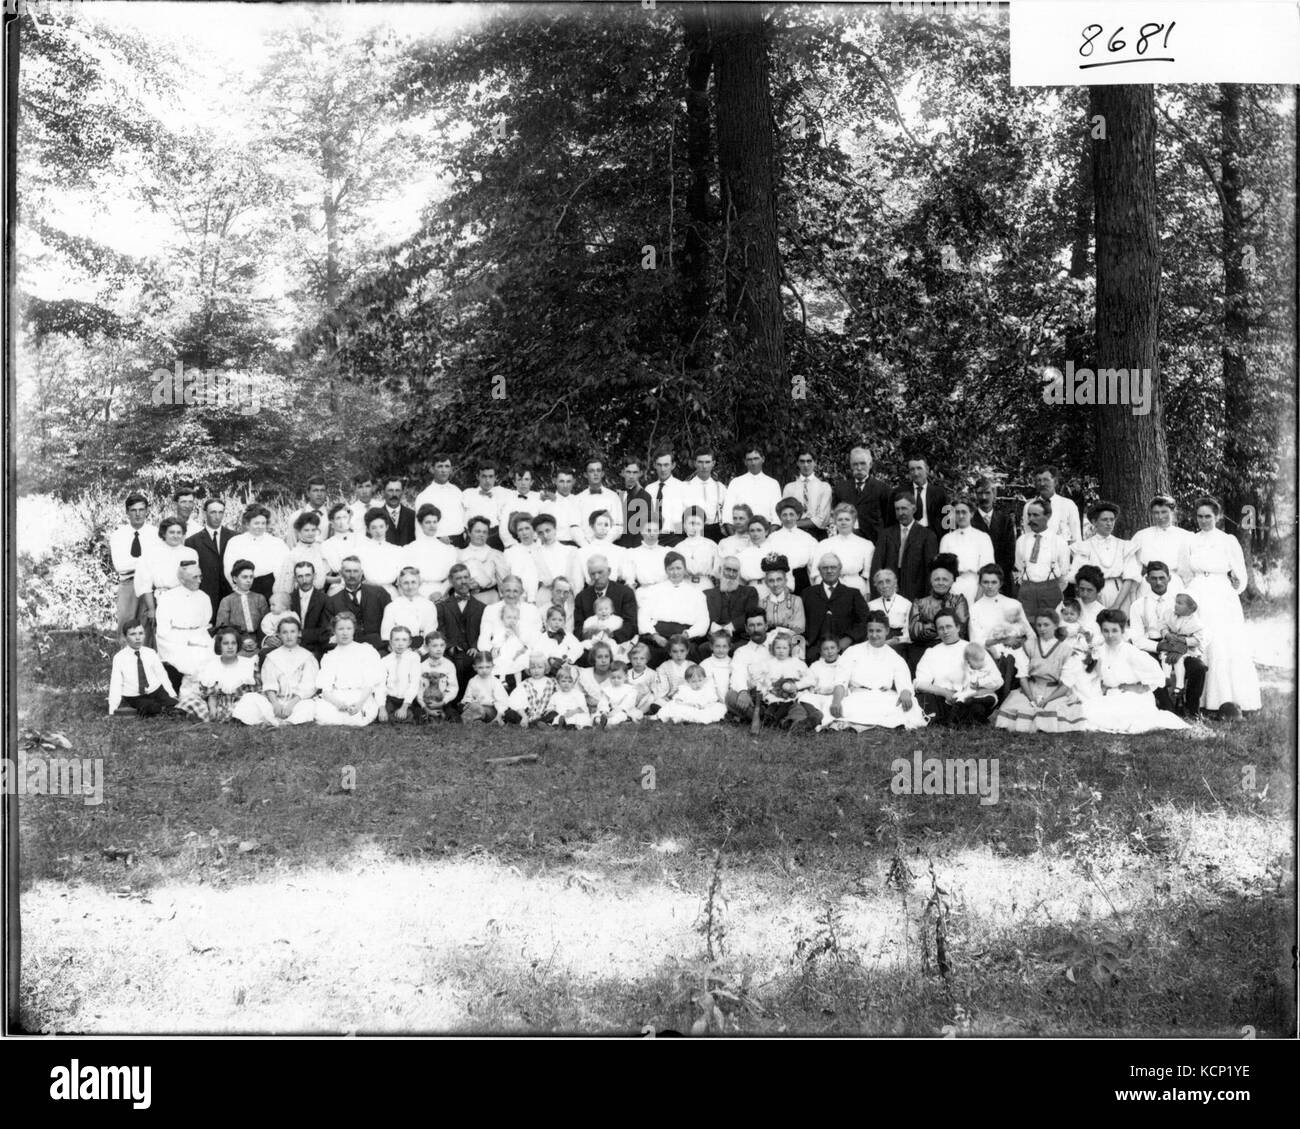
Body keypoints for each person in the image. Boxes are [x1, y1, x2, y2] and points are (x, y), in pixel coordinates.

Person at [1178, 496, 1261, 715]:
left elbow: (1240, 574)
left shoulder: (1228, 540)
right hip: (1197, 591)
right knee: (1200, 639)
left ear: (1217, 516)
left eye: (1208, 516)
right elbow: (1185, 572)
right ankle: (1198, 697)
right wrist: (1191, 593)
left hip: (1222, 593)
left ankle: (1228, 699)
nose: (1203, 520)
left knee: (1223, 642)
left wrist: (1236, 583)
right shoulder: (1189, 541)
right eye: (1200, 516)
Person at [1078, 610, 1189, 733]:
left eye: (1114, 630)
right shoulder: (1100, 650)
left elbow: (1158, 677)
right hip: (1112, 695)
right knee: (1086, 711)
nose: (1110, 635)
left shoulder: (1131, 652)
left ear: (1122, 631)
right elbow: (1095, 674)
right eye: (1106, 631)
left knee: (1122, 716)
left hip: (1134, 697)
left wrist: (1139, 688)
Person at [1128, 561, 1206, 718]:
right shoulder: (1137, 605)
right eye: (1154, 578)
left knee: (1198, 667)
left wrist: (1180, 648)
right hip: (1153, 647)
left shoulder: (1181, 601)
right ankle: (1168, 709)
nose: (1158, 582)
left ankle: (1192, 711)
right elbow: (1136, 639)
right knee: (1151, 666)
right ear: (1147, 579)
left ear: (1169, 578)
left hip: (1181, 646)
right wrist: (1161, 647)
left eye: (1162, 578)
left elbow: (1198, 630)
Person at [822, 613, 925, 731]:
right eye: (871, 631)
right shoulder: (853, 651)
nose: (874, 635)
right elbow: (841, 681)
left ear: (887, 630)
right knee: (833, 704)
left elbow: (904, 682)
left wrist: (905, 693)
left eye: (878, 631)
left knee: (910, 706)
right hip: (857, 697)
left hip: (883, 697)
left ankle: (856, 723)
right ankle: (878, 723)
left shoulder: (894, 657)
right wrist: (836, 701)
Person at [991, 609, 1088, 733]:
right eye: (1039, 625)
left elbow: (1065, 685)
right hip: (1031, 688)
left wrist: (1047, 700)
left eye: (1046, 625)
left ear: (1056, 626)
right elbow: (1023, 677)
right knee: (1019, 706)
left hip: (1054, 691)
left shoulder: (1066, 650)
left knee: (1053, 709)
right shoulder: (1029, 645)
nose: (1042, 629)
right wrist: (1031, 698)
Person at [232, 615, 319, 726]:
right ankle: (272, 720)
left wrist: (291, 704)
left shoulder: (307, 657)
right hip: (276, 700)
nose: (289, 636)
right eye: (284, 632)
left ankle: (286, 722)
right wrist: (275, 703)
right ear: (278, 635)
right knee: (250, 697)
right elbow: (269, 683)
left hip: (297, 701)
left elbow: (308, 685)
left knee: (309, 705)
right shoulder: (272, 657)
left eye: (292, 631)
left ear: (299, 633)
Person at [913, 611, 991, 726]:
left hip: (969, 697)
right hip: (941, 698)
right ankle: (953, 718)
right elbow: (919, 683)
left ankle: (958, 718)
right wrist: (945, 692)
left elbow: (988, 676)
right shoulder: (932, 652)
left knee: (977, 704)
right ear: (937, 631)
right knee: (922, 700)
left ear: (958, 627)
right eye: (941, 628)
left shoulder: (973, 649)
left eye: (949, 627)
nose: (945, 631)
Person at [967, 564, 1031, 693]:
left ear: (1000, 583)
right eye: (985, 582)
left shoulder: (1013, 604)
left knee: (1015, 661)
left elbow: (1027, 633)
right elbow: (976, 640)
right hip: (989, 655)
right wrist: (996, 652)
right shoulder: (975, 608)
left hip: (1016, 652)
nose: (989, 586)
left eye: (993, 582)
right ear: (980, 583)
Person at [314, 610, 385, 726]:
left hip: (360, 695)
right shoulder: (330, 656)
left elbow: (369, 684)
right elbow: (326, 690)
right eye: (340, 629)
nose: (345, 633)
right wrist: (338, 704)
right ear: (334, 631)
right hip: (338, 696)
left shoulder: (365, 651)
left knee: (358, 716)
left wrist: (359, 704)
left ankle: (358, 711)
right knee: (327, 714)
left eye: (349, 628)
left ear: (354, 630)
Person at [637, 553, 711, 664]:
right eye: (671, 568)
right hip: (659, 639)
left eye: (678, 568)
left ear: (685, 570)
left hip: (685, 639)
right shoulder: (653, 591)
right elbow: (643, 616)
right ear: (666, 570)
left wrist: (686, 635)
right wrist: (655, 636)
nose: (675, 572)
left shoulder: (696, 593)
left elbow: (703, 621)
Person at [154, 562, 215, 693]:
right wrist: (183, 641)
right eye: (195, 577)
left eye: (200, 576)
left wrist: (197, 639)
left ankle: (207, 693)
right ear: (182, 579)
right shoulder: (168, 598)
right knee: (189, 660)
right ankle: (187, 694)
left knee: (210, 655)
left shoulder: (204, 597)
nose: (199, 580)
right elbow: (163, 630)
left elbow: (205, 624)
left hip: (198, 636)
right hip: (174, 640)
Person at [1069, 501, 1141, 611]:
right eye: (1104, 520)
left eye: (1112, 520)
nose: (1109, 523)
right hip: (1092, 593)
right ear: (1094, 522)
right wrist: (1094, 599)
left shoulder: (1124, 546)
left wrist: (1117, 605)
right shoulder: (1084, 546)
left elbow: (1130, 577)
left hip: (1119, 592)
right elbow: (1078, 576)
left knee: (1118, 624)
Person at [135, 518, 199, 641]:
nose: (175, 536)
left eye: (179, 532)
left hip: (185, 598)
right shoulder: (152, 553)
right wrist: (151, 608)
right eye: (172, 532)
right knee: (163, 635)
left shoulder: (191, 553)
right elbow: (145, 583)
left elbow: (194, 579)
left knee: (183, 634)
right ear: (164, 533)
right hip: (162, 598)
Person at [905, 554, 970, 673]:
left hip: (952, 650)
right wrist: (944, 628)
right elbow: (914, 633)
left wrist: (926, 627)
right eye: (937, 579)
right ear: (931, 580)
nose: (940, 583)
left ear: (952, 581)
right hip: (922, 650)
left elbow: (960, 631)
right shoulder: (919, 603)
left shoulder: (959, 601)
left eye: (945, 579)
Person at [871, 491, 938, 601]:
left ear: (914, 509)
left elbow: (930, 571)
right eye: (897, 509)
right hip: (888, 591)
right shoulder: (886, 534)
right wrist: (876, 597)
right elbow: (877, 566)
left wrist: (928, 599)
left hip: (916, 593)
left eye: (904, 508)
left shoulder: (927, 535)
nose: (901, 512)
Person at [801, 552, 870, 655]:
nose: (829, 571)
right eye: (825, 568)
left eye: (833, 567)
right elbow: (800, 621)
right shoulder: (807, 593)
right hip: (814, 648)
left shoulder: (853, 594)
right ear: (819, 570)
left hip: (845, 649)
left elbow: (864, 620)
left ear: (840, 569)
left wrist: (849, 639)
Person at [1014, 498, 1070, 621]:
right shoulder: (1021, 541)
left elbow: (1064, 575)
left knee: (1050, 628)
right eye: (1029, 515)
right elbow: (1019, 567)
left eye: (1036, 515)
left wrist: (1050, 590)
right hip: (1027, 592)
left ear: (1048, 516)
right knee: (1027, 629)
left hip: (1050, 592)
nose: (1031, 519)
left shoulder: (1059, 542)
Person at [108, 620, 179, 716]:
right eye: (133, 634)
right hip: (135, 696)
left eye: (141, 633)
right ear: (125, 637)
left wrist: (172, 694)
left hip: (156, 690)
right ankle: (153, 710)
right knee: (152, 707)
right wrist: (112, 709)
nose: (138, 638)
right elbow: (116, 684)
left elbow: (162, 675)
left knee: (175, 705)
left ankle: (165, 709)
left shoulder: (151, 653)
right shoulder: (119, 658)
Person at [1130, 494, 1193, 597]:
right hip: (1148, 586)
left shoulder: (1185, 536)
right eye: (1156, 513)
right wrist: (1133, 593)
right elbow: (1133, 567)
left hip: (1174, 585)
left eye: (1164, 512)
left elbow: (1187, 571)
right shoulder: (1141, 536)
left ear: (1172, 512)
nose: (1160, 517)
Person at [189, 627, 258, 722]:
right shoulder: (212, 665)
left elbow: (254, 693)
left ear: (238, 645)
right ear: (219, 646)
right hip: (220, 703)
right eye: (226, 643)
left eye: (233, 643)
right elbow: (212, 695)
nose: (230, 647)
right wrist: (212, 708)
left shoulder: (247, 664)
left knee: (251, 705)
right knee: (192, 702)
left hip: (242, 703)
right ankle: (217, 714)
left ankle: (237, 716)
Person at [436, 564, 485, 697]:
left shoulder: (481, 607)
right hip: (451, 651)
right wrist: (450, 646)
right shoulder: (442, 606)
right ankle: (453, 703)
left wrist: (475, 646)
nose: (463, 581)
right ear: (451, 581)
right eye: (458, 578)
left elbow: (484, 631)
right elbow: (440, 630)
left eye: (466, 577)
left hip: (472, 650)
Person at [324, 555, 392, 652]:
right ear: (341, 573)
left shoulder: (379, 593)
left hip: (378, 648)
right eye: (348, 571)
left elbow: (391, 623)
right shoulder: (332, 602)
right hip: (347, 651)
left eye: (356, 571)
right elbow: (329, 633)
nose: (352, 575)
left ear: (362, 573)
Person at [574, 558, 639, 658]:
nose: (596, 577)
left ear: (609, 571)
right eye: (592, 574)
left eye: (600, 572)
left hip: (617, 643)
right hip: (591, 646)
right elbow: (578, 628)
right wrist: (589, 635)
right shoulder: (582, 597)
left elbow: (631, 624)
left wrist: (610, 635)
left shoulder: (625, 593)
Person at [224, 504, 288, 602]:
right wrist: (236, 588)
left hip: (270, 589)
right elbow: (229, 568)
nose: (260, 526)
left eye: (263, 523)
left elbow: (285, 570)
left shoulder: (277, 543)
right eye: (256, 523)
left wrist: (278, 593)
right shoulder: (235, 542)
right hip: (244, 588)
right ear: (247, 524)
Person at [938, 498, 995, 606]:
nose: (960, 516)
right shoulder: (946, 539)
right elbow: (942, 570)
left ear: (972, 513)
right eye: (957, 512)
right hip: (952, 588)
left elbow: (988, 569)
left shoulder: (983, 537)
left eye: (964, 512)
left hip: (975, 586)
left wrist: (979, 596)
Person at [186, 498, 234, 621]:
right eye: (213, 512)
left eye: (220, 512)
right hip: (206, 595)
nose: (217, 516)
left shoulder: (235, 538)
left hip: (230, 595)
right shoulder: (192, 541)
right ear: (204, 513)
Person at [786, 637, 849, 732]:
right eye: (826, 649)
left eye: (832, 648)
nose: (829, 652)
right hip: (819, 696)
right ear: (821, 651)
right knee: (804, 698)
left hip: (836, 697)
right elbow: (809, 680)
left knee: (840, 705)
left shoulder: (844, 663)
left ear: (838, 649)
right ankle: (814, 716)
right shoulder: (816, 665)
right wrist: (796, 686)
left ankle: (817, 723)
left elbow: (843, 683)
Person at [830, 447, 892, 544]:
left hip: (874, 542)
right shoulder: (841, 488)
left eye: (863, 463)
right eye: (855, 464)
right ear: (851, 465)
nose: (859, 468)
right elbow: (835, 516)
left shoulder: (883, 489)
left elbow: (889, 520)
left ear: (870, 464)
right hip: (846, 542)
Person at [110, 493, 152, 633]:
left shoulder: (156, 534)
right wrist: (146, 562)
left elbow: (158, 563)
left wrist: (137, 564)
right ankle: (125, 654)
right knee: (126, 626)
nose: (138, 514)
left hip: (149, 585)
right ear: (127, 512)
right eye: (133, 510)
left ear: (147, 511)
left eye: (141, 510)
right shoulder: (118, 535)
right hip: (128, 584)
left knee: (147, 626)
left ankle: (146, 654)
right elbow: (120, 566)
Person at [702, 556, 760, 657]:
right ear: (721, 570)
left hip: (739, 638)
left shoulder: (749, 592)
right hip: (713, 638)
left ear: (739, 573)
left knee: (738, 650)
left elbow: (750, 615)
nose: (731, 574)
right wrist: (714, 626)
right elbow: (702, 617)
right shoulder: (707, 594)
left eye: (735, 571)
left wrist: (732, 626)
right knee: (702, 648)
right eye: (728, 569)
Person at [752, 630, 807, 729]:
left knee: (797, 709)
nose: (781, 651)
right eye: (778, 647)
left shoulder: (796, 662)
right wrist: (769, 688)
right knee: (772, 708)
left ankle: (792, 723)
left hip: (791, 697)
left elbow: (810, 679)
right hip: (774, 698)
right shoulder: (768, 663)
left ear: (790, 649)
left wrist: (796, 686)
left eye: (784, 648)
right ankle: (774, 720)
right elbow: (760, 680)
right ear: (773, 648)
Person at [724, 612, 772, 725]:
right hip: (755, 698)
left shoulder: (778, 645)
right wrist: (743, 691)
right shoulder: (742, 652)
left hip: (777, 694)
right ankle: (765, 718)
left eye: (759, 624)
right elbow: (738, 673)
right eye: (751, 625)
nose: (755, 629)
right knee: (731, 696)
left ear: (766, 626)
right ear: (746, 628)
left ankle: (764, 718)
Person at [404, 505, 459, 601]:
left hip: (442, 594)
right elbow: (406, 576)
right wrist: (418, 595)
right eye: (428, 522)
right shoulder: (411, 548)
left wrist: (441, 592)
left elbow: (452, 576)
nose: (432, 525)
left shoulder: (447, 549)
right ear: (421, 524)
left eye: (434, 522)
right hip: (416, 594)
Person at [758, 554, 807, 660]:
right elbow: (761, 627)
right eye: (771, 581)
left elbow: (799, 627)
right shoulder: (762, 603)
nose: (775, 584)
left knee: (798, 641)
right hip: (769, 641)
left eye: (779, 579)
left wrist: (775, 628)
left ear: (785, 580)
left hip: (790, 640)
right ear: (766, 583)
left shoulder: (796, 601)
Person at [971, 476, 1018, 586]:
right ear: (975, 495)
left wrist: (996, 577)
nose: (984, 497)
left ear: (994, 494)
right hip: (978, 581)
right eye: (979, 493)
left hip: (1003, 580)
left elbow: (1009, 555)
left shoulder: (1005, 521)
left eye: (987, 493)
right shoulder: (969, 522)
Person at [766, 498, 822, 590]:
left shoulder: (808, 538)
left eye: (791, 514)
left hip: (803, 580)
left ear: (798, 516)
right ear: (780, 517)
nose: (788, 518)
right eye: (784, 515)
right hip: (780, 581)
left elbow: (814, 564)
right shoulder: (773, 538)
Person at [273, 512, 329, 600]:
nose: (310, 533)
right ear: (299, 532)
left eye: (313, 530)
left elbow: (324, 575)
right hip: (301, 597)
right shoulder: (294, 555)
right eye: (306, 530)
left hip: (321, 596)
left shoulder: (320, 549)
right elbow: (286, 586)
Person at [414, 455, 467, 546]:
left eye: (447, 466)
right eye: (440, 466)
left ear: (451, 469)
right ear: (432, 469)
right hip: (436, 543)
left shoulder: (457, 492)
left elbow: (464, 517)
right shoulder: (424, 496)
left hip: (460, 542)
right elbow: (419, 527)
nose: (444, 470)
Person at [820, 504, 874, 594]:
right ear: (835, 522)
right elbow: (817, 572)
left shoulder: (866, 544)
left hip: (856, 586)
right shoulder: (824, 544)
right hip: (831, 587)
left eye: (847, 519)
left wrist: (868, 592)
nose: (843, 522)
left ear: (854, 521)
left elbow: (868, 574)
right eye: (840, 519)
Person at [1022, 465, 1081, 545]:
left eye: (1046, 480)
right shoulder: (1029, 506)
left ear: (1055, 482)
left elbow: (1076, 538)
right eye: (1038, 480)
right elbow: (1028, 536)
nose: (1042, 484)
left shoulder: (1068, 505)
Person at [723, 447, 781, 527]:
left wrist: (769, 537)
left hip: (765, 530)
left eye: (756, 458)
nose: (753, 463)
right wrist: (735, 537)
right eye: (749, 460)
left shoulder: (773, 484)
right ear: (745, 462)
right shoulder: (736, 483)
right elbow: (727, 515)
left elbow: (776, 517)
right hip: (740, 529)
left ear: (763, 459)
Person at [531, 514, 583, 602]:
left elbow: (577, 578)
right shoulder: (535, 554)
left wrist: (577, 596)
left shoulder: (570, 550)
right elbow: (533, 579)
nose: (545, 535)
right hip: (545, 596)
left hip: (567, 595)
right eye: (540, 533)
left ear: (555, 530)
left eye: (548, 530)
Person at [380, 567, 439, 645]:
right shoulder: (391, 607)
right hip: (398, 649)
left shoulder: (429, 606)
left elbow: (431, 635)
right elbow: (386, 636)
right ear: (400, 585)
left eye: (413, 582)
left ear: (419, 583)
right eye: (406, 583)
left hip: (424, 650)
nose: (410, 587)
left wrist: (420, 652)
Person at [216, 560, 271, 642]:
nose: (249, 580)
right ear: (235, 579)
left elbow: (267, 623)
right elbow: (222, 629)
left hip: (258, 640)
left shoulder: (259, 598)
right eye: (244, 577)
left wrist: (263, 640)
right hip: (236, 642)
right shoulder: (227, 601)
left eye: (251, 577)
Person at [285, 562, 331, 659]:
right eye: (300, 576)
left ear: (314, 576)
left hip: (314, 647)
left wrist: (300, 634)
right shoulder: (288, 599)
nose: (304, 580)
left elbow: (325, 631)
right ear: (295, 578)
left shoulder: (325, 599)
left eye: (308, 575)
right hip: (288, 645)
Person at [459, 515, 509, 604]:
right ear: (469, 533)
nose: (481, 534)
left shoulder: (495, 554)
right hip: (465, 599)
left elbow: (503, 582)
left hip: (489, 598)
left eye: (484, 532)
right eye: (477, 531)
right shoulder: (459, 554)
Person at [655, 663, 727, 724]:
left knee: (717, 708)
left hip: (704, 708)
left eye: (700, 680)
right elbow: (678, 701)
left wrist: (706, 705)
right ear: (688, 681)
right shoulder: (685, 689)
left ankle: (694, 719)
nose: (697, 684)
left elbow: (712, 700)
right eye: (693, 681)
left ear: (704, 679)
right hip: (689, 707)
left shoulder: (707, 689)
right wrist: (689, 704)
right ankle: (683, 719)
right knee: (675, 707)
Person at [783, 451, 832, 540]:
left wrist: (793, 523)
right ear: (797, 463)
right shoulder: (789, 488)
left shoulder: (824, 487)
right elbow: (785, 515)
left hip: (817, 534)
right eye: (802, 461)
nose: (805, 465)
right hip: (794, 534)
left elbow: (823, 519)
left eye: (809, 461)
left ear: (815, 462)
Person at [378, 625, 423, 723]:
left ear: (409, 642)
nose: (400, 644)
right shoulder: (385, 660)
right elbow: (380, 686)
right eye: (396, 640)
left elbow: (414, 684)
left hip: (407, 699)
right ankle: (393, 716)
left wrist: (404, 707)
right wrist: (382, 708)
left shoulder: (414, 658)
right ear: (390, 642)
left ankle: (406, 713)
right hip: (391, 698)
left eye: (404, 640)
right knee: (380, 716)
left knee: (411, 714)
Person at [681, 447, 727, 541]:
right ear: (694, 463)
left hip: (715, 531)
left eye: (707, 462)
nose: (704, 466)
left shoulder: (720, 487)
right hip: (692, 530)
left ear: (713, 463)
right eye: (700, 462)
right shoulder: (684, 486)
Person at [576, 458, 624, 543]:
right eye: (591, 471)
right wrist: (586, 545)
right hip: (586, 547)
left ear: (602, 474)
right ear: (585, 474)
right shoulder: (578, 499)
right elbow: (576, 527)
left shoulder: (613, 497)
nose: (595, 474)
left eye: (598, 470)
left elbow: (618, 525)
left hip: (608, 546)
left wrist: (604, 543)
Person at [356, 509, 404, 596]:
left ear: (387, 527)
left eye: (381, 526)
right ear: (368, 530)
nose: (378, 531)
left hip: (391, 593)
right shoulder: (361, 551)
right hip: (369, 593)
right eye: (374, 528)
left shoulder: (397, 550)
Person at [462, 463, 510, 549]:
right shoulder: (467, 494)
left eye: (491, 476)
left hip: (495, 537)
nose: (487, 480)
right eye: (484, 476)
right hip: (473, 537)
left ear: (495, 477)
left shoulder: (503, 493)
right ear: (478, 477)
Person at [504, 653, 558, 727]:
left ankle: (541, 722)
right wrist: (524, 716)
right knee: (510, 714)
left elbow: (559, 697)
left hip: (545, 714)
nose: (536, 671)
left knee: (554, 714)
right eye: (533, 668)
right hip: (529, 714)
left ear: (545, 668)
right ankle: (530, 722)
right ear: (529, 669)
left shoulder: (552, 682)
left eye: (540, 667)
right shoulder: (525, 684)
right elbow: (516, 701)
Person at [576, 511, 628, 585]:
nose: (603, 528)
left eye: (606, 525)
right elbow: (578, 580)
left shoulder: (619, 551)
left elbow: (624, 576)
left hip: (614, 590)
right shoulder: (582, 552)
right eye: (599, 524)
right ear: (591, 526)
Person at [648, 448, 688, 545]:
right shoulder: (649, 489)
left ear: (673, 465)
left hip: (675, 537)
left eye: (666, 465)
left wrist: (680, 533)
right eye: (659, 465)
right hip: (653, 537)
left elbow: (689, 514)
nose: (663, 469)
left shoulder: (682, 487)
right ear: (654, 465)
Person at [867, 568, 911, 654]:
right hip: (875, 641)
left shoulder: (906, 604)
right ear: (876, 585)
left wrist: (892, 641)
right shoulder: (871, 605)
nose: (884, 586)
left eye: (888, 581)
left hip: (898, 644)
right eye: (880, 582)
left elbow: (908, 634)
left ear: (895, 583)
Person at [498, 467, 543, 549]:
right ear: (514, 482)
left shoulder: (539, 500)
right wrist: (512, 545)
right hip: (513, 544)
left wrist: (535, 543)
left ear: (531, 482)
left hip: (535, 544)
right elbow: (503, 527)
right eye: (519, 479)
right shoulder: (507, 500)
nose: (523, 483)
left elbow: (542, 525)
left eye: (526, 479)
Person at [501, 513, 542, 602]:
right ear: (517, 533)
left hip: (540, 596)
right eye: (520, 530)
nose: (524, 533)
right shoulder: (510, 552)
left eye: (527, 528)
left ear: (533, 530)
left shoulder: (541, 549)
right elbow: (506, 577)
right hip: (518, 597)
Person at [614, 457, 653, 550]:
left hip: (636, 547)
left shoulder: (645, 496)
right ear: (623, 473)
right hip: (616, 545)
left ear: (640, 474)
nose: (631, 476)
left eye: (635, 472)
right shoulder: (615, 494)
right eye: (628, 472)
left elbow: (644, 527)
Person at [419, 632, 460, 720]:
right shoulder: (422, 666)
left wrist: (443, 702)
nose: (439, 649)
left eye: (442, 645)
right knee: (419, 716)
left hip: (443, 701)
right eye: (435, 646)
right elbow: (418, 689)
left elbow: (453, 687)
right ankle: (427, 714)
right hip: (426, 702)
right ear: (426, 647)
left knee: (453, 717)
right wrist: (424, 705)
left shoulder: (449, 665)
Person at [676, 507, 718, 588]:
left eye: (698, 524)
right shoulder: (678, 548)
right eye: (691, 523)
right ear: (684, 525)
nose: (694, 527)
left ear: (703, 526)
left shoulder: (711, 545)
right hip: (685, 585)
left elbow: (717, 571)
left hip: (706, 585)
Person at [902, 456, 948, 530]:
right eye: (912, 469)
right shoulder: (901, 493)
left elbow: (946, 521)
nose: (916, 473)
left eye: (919, 468)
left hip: (932, 536)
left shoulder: (939, 493)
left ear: (927, 469)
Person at [582, 594, 633, 661]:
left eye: (606, 609)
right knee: (582, 644)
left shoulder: (616, 620)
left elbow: (619, 633)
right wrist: (594, 629)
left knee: (614, 647)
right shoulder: (592, 620)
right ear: (595, 611)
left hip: (609, 641)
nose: (603, 611)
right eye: (600, 610)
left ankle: (617, 658)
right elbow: (585, 633)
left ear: (612, 610)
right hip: (595, 641)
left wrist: (608, 631)